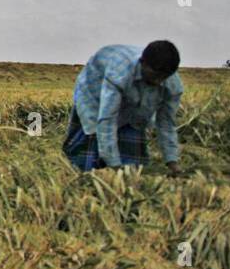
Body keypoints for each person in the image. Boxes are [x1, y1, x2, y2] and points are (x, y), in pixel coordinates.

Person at [63, 41, 183, 175]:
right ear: (142, 63)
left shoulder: (172, 85)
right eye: (154, 75)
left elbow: (166, 123)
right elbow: (107, 119)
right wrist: (114, 165)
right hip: (94, 94)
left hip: (133, 108)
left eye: (163, 77)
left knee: (132, 163)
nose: (157, 81)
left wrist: (172, 162)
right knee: (91, 149)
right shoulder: (120, 72)